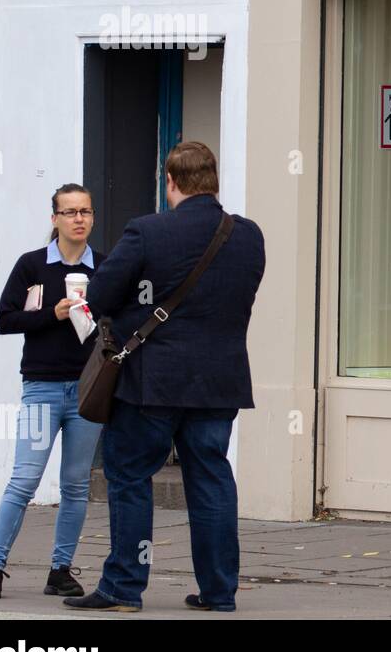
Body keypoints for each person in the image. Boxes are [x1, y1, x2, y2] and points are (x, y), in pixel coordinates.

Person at [63, 141, 266, 613]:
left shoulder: (147, 231)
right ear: (214, 181)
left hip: (150, 382)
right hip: (219, 381)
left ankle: (123, 586)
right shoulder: (248, 235)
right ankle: (219, 591)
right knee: (211, 479)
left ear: (169, 181)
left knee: (131, 478)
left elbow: (101, 296)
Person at [0, 184, 103, 599]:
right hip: (42, 388)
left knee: (76, 485)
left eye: (85, 211)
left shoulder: (103, 267)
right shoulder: (32, 266)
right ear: (55, 219)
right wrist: (53, 313)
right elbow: (4, 320)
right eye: (70, 212)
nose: (79, 219)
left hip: (87, 390)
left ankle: (60, 570)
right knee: (24, 480)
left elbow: (116, 323)